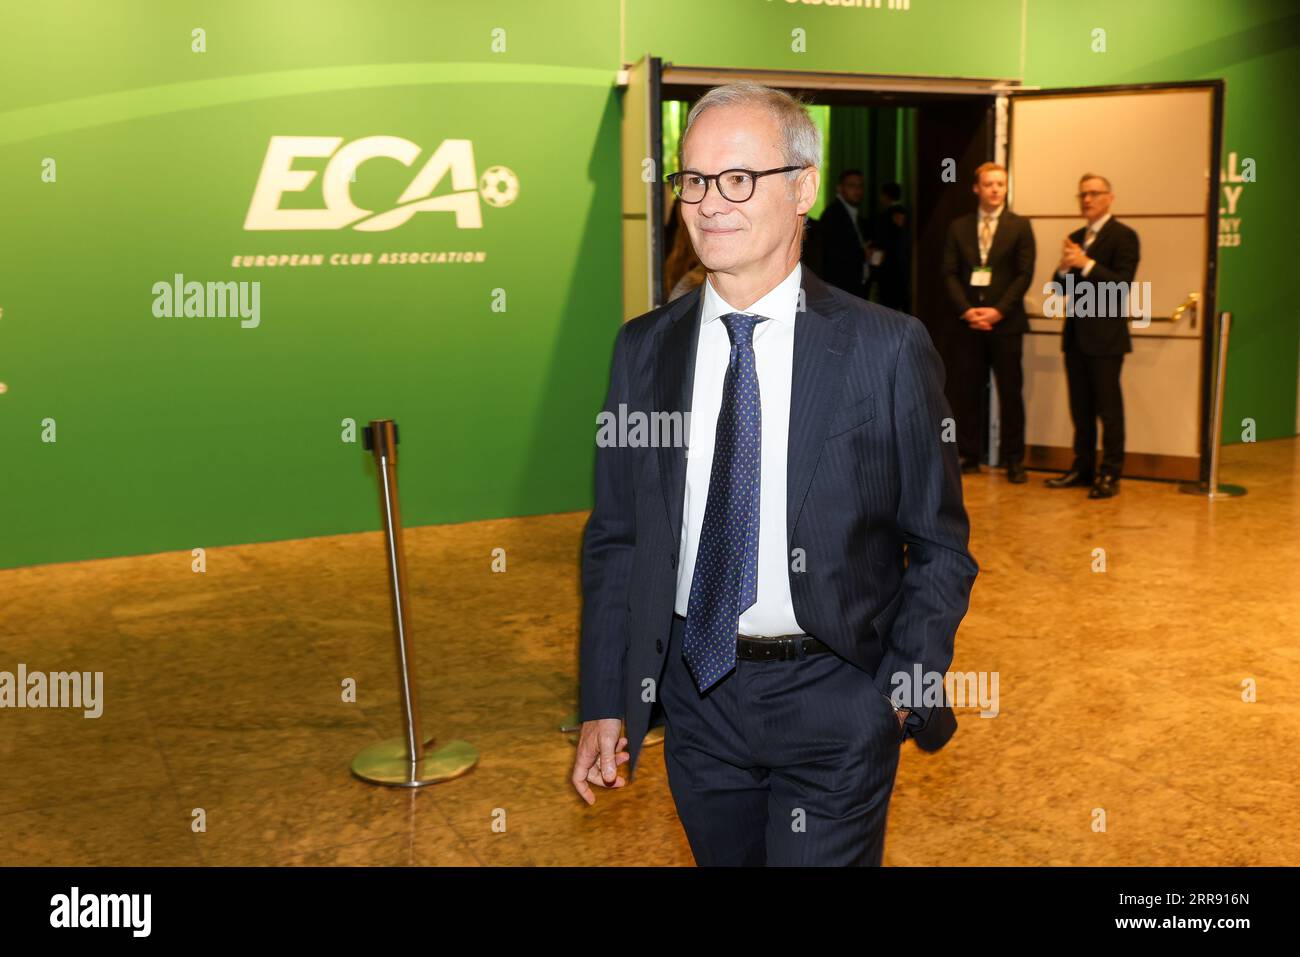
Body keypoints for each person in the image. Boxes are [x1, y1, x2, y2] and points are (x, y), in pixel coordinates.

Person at [571, 81, 978, 866]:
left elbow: (940, 545)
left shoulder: (885, 349)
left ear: (803, 188)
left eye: (737, 178)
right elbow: (616, 540)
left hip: (836, 698)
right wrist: (606, 702)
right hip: (697, 699)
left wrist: (898, 693)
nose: (708, 202)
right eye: (692, 178)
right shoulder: (643, 350)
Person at [1044, 173, 1140, 499]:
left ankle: (1111, 473)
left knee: (1108, 410)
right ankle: (1082, 468)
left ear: (1110, 197)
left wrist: (1085, 264)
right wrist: (1062, 268)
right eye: (1082, 194)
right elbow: (1059, 289)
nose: (1087, 199)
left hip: (1107, 339)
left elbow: (1121, 285)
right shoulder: (1074, 236)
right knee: (1080, 409)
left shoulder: (1125, 236)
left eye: (1094, 193)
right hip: (1076, 337)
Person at [941, 162, 1036, 480]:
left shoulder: (1020, 226)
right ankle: (968, 454)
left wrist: (998, 311)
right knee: (965, 392)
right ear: (976, 188)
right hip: (968, 323)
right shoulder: (959, 226)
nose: (996, 189)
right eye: (989, 184)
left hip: (1005, 324)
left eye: (1001, 184)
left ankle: (1013, 459)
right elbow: (950, 273)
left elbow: (1024, 274)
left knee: (1010, 392)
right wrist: (967, 309)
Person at [816, 169, 869, 298]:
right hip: (841, 292)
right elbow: (835, 255)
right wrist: (864, 254)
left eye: (860, 185)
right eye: (851, 185)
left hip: (852, 292)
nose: (857, 190)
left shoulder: (856, 216)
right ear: (839, 189)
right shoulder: (833, 215)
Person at [867, 182, 910, 311]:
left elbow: (880, 245)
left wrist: (873, 270)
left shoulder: (884, 217)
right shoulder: (908, 214)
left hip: (887, 271)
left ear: (885, 196)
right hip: (904, 270)